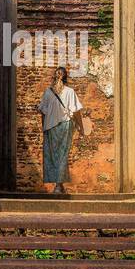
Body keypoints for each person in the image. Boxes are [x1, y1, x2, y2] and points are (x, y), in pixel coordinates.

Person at [38, 66, 82, 194]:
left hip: (50, 127)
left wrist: (44, 127)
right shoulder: (70, 91)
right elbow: (76, 111)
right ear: (66, 77)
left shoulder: (48, 92)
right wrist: (81, 127)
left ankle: (58, 185)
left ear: (54, 76)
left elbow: (42, 110)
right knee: (63, 154)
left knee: (52, 156)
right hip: (65, 125)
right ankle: (59, 185)